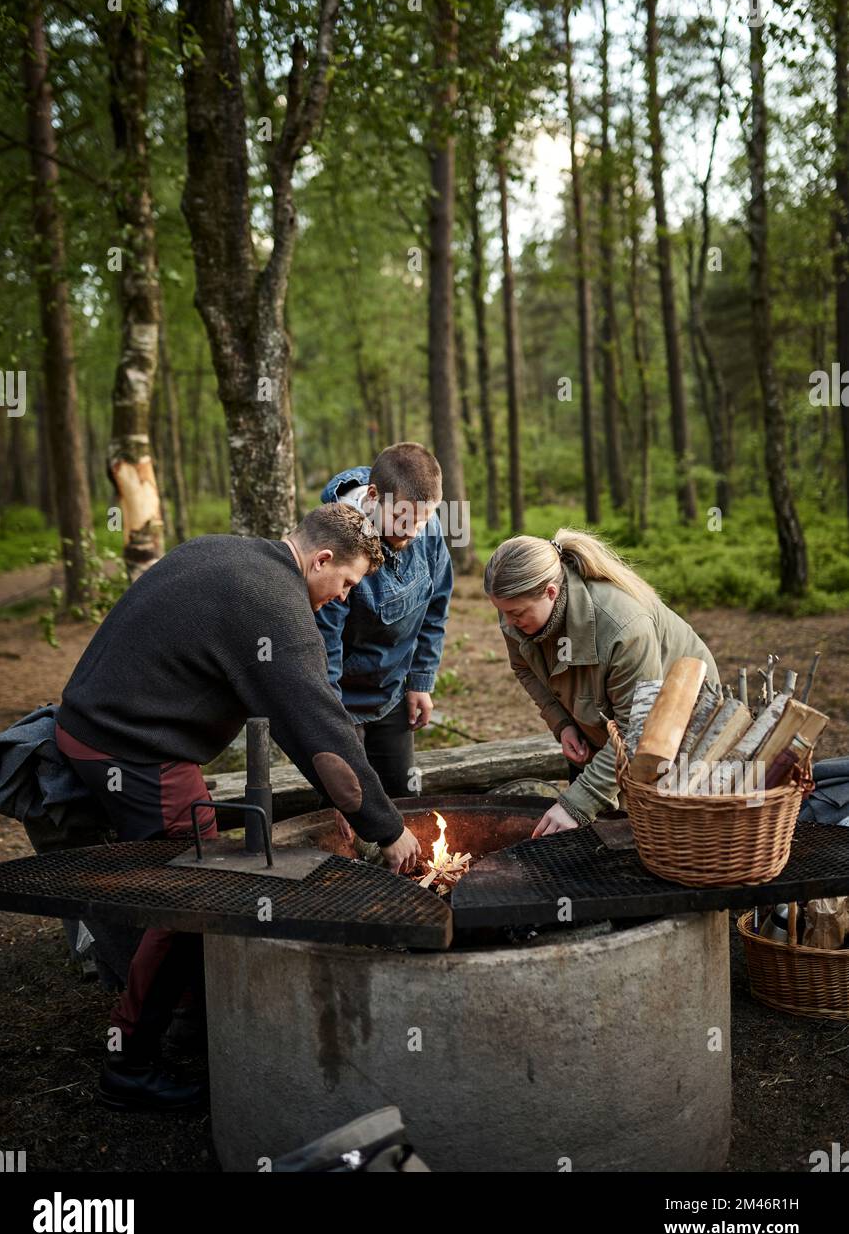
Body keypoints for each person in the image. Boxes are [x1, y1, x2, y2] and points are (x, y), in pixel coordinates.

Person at [55, 503, 421, 1110]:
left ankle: (191, 1008)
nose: (343, 598)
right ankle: (130, 1063)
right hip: (132, 749)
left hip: (91, 723)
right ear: (321, 558)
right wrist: (386, 829)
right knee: (197, 890)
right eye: (347, 584)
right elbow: (318, 731)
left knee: (164, 878)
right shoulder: (273, 603)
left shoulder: (230, 551)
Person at [483, 529, 719, 836]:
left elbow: (639, 730)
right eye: (502, 612)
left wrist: (579, 802)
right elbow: (525, 669)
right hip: (609, 724)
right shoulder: (517, 613)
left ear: (551, 592)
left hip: (677, 728)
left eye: (516, 613)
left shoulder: (624, 630)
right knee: (596, 838)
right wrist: (563, 723)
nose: (508, 623)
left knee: (661, 833)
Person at [316, 443, 453, 810]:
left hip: (392, 693)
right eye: (402, 523)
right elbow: (324, 647)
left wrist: (420, 682)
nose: (411, 534)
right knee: (350, 807)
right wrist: (333, 727)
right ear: (373, 497)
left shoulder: (426, 524)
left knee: (404, 800)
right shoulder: (335, 544)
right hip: (342, 701)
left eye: (420, 523)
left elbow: (435, 605)